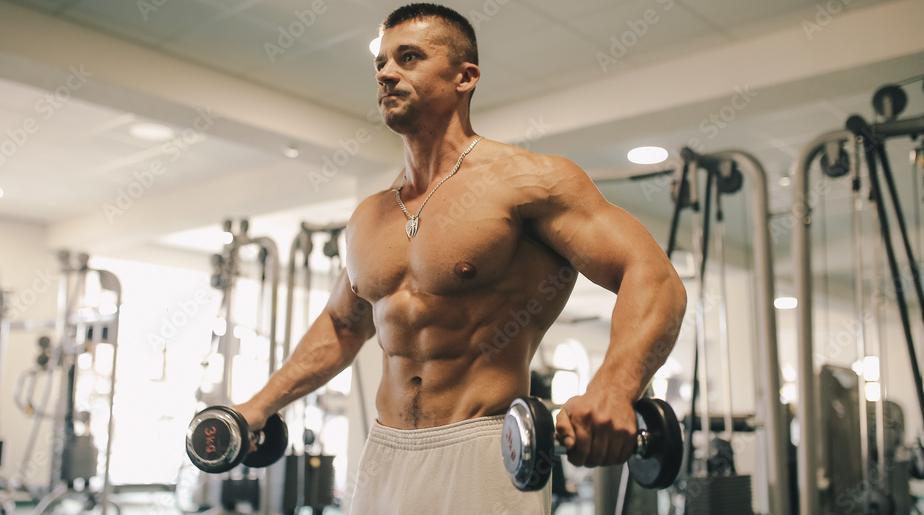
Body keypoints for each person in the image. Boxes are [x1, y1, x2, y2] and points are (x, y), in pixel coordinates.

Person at [233, 3, 687, 513]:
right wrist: (258, 406)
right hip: (384, 453)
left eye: (408, 57)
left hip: (486, 450)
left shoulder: (528, 180)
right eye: (380, 62)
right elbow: (342, 325)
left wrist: (613, 388)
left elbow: (653, 274)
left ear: (465, 77)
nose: (385, 73)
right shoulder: (370, 216)